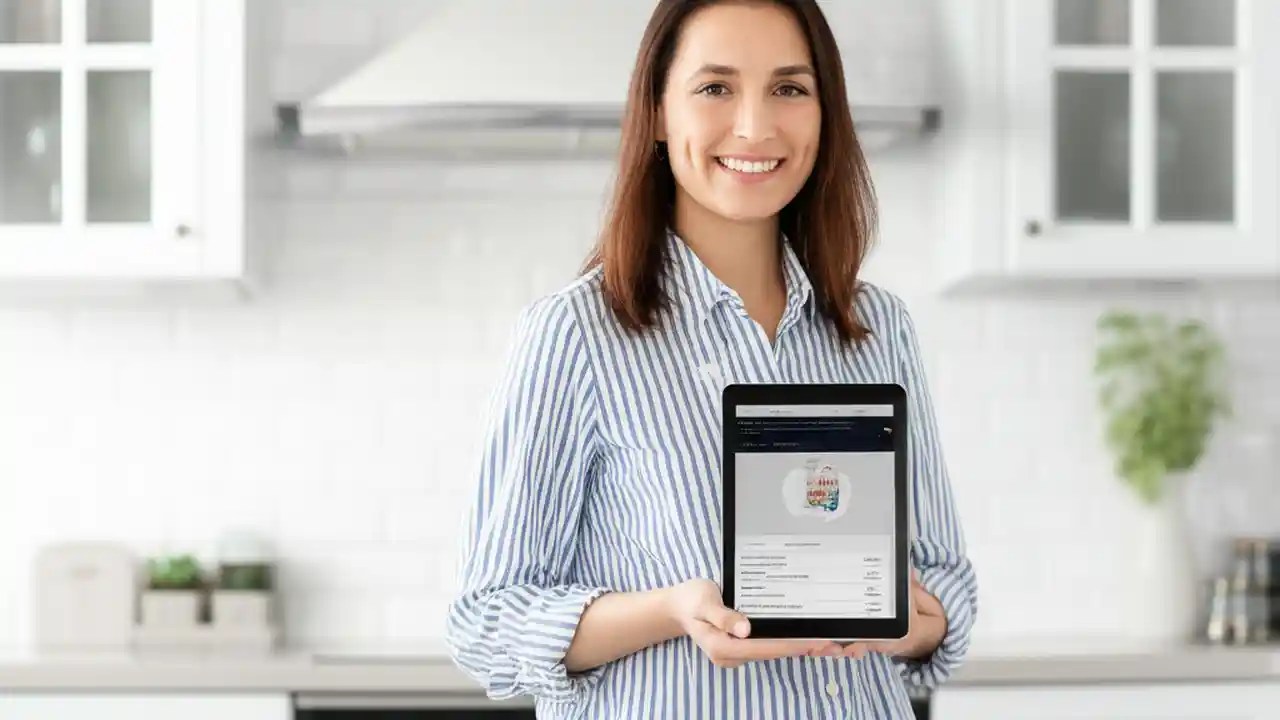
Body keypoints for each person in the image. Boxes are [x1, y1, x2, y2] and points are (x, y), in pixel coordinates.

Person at [446, 1, 978, 717]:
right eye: (715, 88)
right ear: (659, 113)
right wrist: (672, 611)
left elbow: (946, 583)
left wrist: (915, 622)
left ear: (826, 114)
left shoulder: (877, 328)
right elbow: (487, 619)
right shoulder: (575, 335)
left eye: (789, 88)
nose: (756, 126)